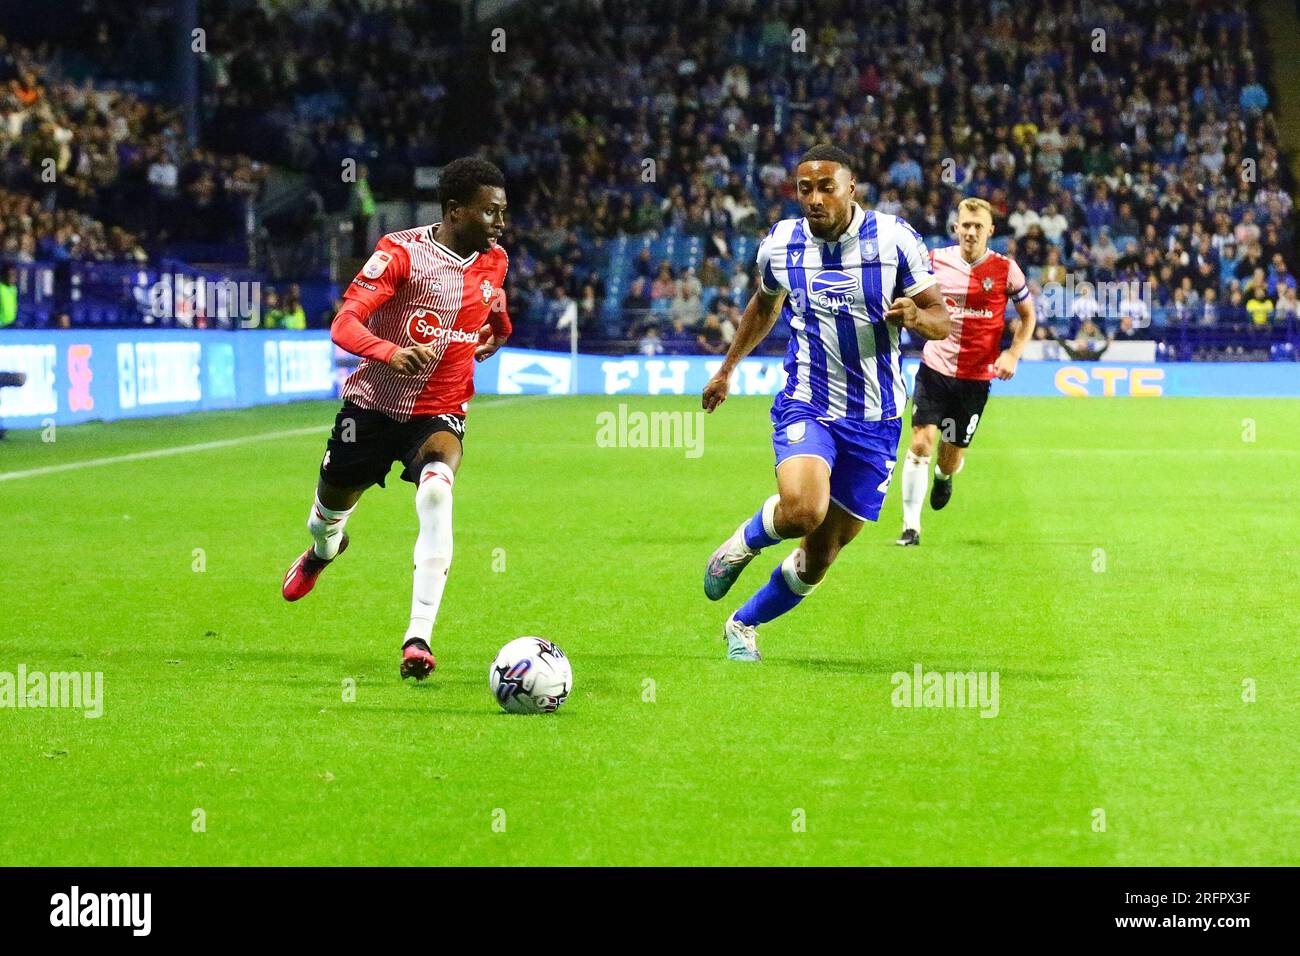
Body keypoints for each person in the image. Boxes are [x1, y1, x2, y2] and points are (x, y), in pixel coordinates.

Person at [699, 145, 950, 662]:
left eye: (825, 187)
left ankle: (742, 626)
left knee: (819, 557)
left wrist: (914, 317)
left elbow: (941, 320)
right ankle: (740, 545)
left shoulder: (895, 240)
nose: (813, 198)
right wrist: (727, 368)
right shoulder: (782, 243)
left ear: (850, 188)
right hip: (807, 402)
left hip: (877, 419)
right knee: (802, 511)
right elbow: (763, 305)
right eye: (804, 189)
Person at [280, 158, 512, 681]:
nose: (501, 223)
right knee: (325, 516)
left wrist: (500, 328)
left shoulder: (495, 260)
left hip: (440, 409)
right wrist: (389, 352)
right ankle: (323, 551)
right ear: (455, 211)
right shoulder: (401, 253)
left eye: (503, 213)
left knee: (436, 490)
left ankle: (418, 638)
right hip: (371, 407)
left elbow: (493, 306)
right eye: (491, 212)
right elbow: (344, 323)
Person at [897, 197, 1036, 546]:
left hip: (975, 378)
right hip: (934, 369)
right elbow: (909, 299)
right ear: (956, 227)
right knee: (919, 443)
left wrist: (1013, 354)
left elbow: (1028, 316)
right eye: (965, 226)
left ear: (990, 230)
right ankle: (910, 528)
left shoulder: (1006, 270)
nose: (970, 232)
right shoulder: (934, 262)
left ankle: (945, 477)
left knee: (948, 456)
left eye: (978, 227)